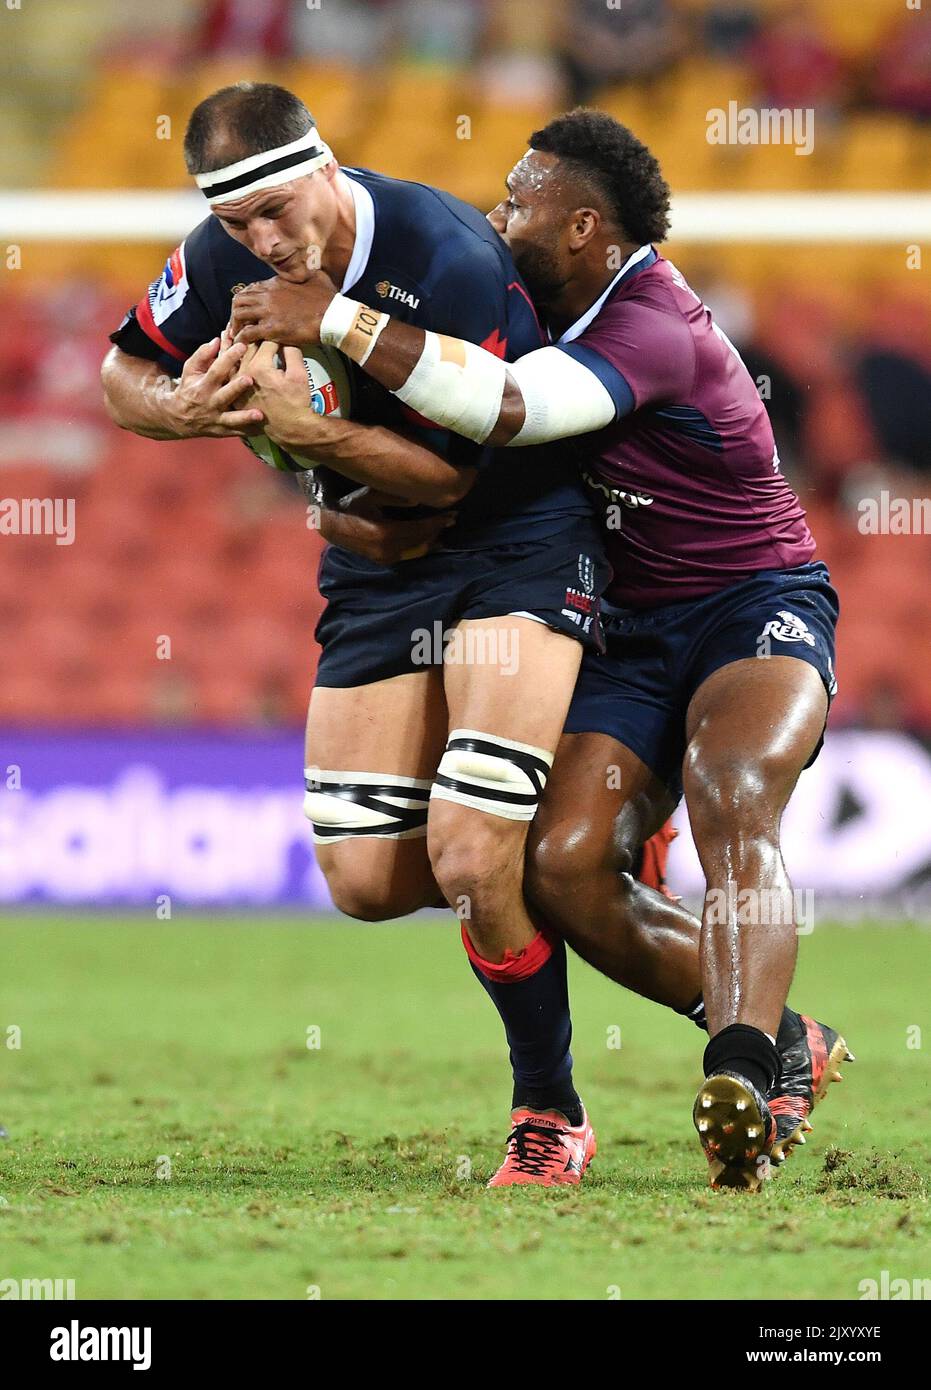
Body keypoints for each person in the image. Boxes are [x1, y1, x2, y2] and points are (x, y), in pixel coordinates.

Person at [229, 108, 852, 1191]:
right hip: (622, 632)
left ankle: (741, 1068)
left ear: (582, 228)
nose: (495, 210)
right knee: (559, 866)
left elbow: (508, 409)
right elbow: (448, 460)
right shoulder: (517, 304)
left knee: (730, 784)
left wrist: (337, 318)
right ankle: (786, 1034)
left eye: (519, 199)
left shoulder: (650, 325)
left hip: (746, 608)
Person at [102, 82, 615, 1187]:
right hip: (374, 564)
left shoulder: (442, 251)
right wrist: (182, 410)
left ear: (325, 163)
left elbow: (450, 474)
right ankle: (564, 858)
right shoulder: (219, 255)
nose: (264, 241)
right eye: (240, 224)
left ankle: (548, 1110)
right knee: (368, 879)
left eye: (279, 211)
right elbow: (120, 369)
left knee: (470, 849)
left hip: (516, 537)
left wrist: (295, 428)